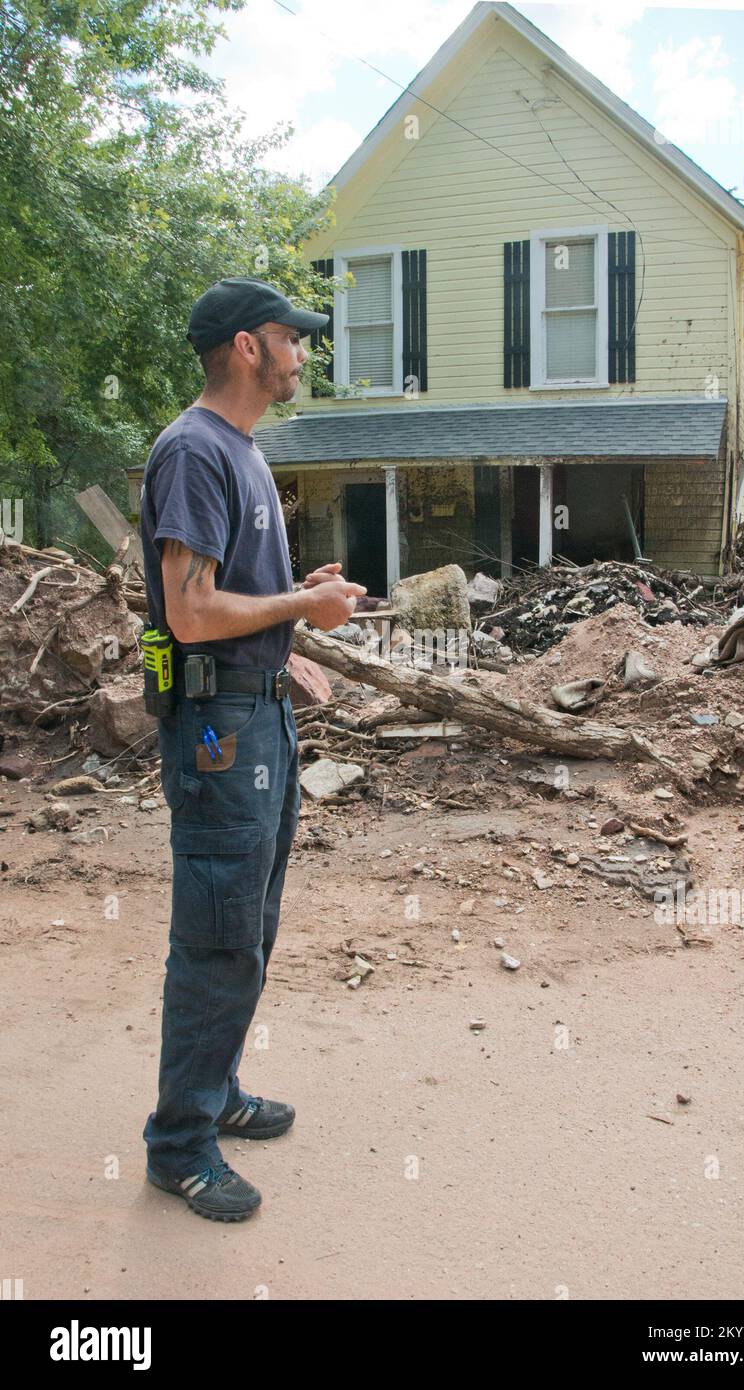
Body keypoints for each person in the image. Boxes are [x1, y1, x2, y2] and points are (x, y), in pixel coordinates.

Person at [139, 277, 366, 1221]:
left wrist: (288, 630)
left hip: (252, 717)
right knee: (217, 937)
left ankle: (216, 1092)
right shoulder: (194, 451)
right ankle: (179, 1144)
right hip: (214, 730)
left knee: (250, 929)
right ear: (245, 347)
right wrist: (298, 612)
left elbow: (233, 604)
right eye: (291, 337)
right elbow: (189, 613)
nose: (302, 353)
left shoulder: (239, 452)